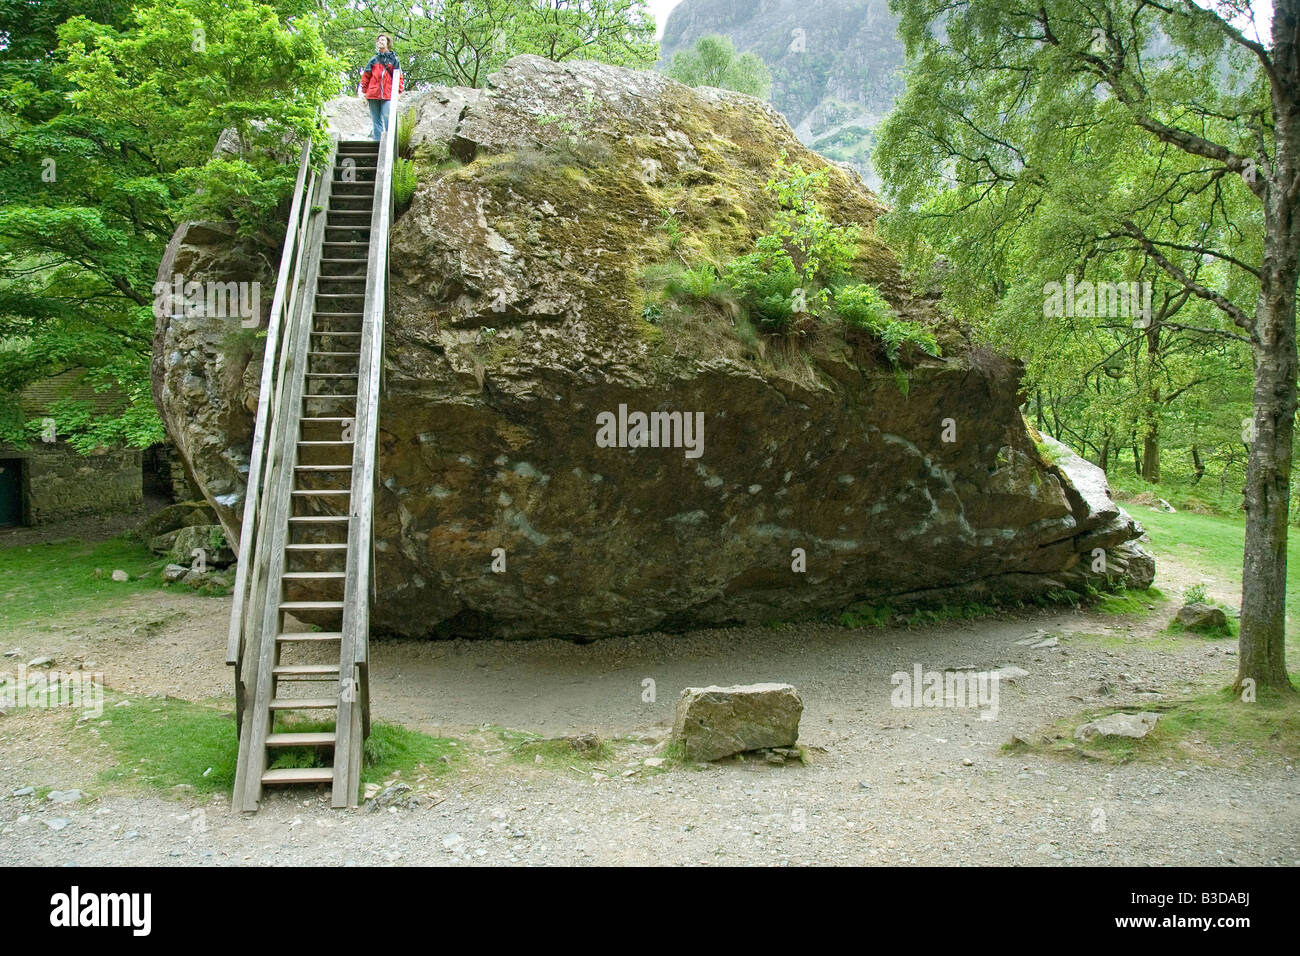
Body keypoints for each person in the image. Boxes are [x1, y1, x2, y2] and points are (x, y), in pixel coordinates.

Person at [358, 34, 404, 142]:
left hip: (388, 95)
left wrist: (398, 92)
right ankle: (377, 145)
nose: (380, 42)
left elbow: (399, 77)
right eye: (378, 40)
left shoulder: (393, 59)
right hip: (373, 94)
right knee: (376, 121)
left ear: (388, 43)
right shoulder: (373, 60)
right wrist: (364, 92)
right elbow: (366, 76)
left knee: (388, 119)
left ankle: (388, 143)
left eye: (382, 40)